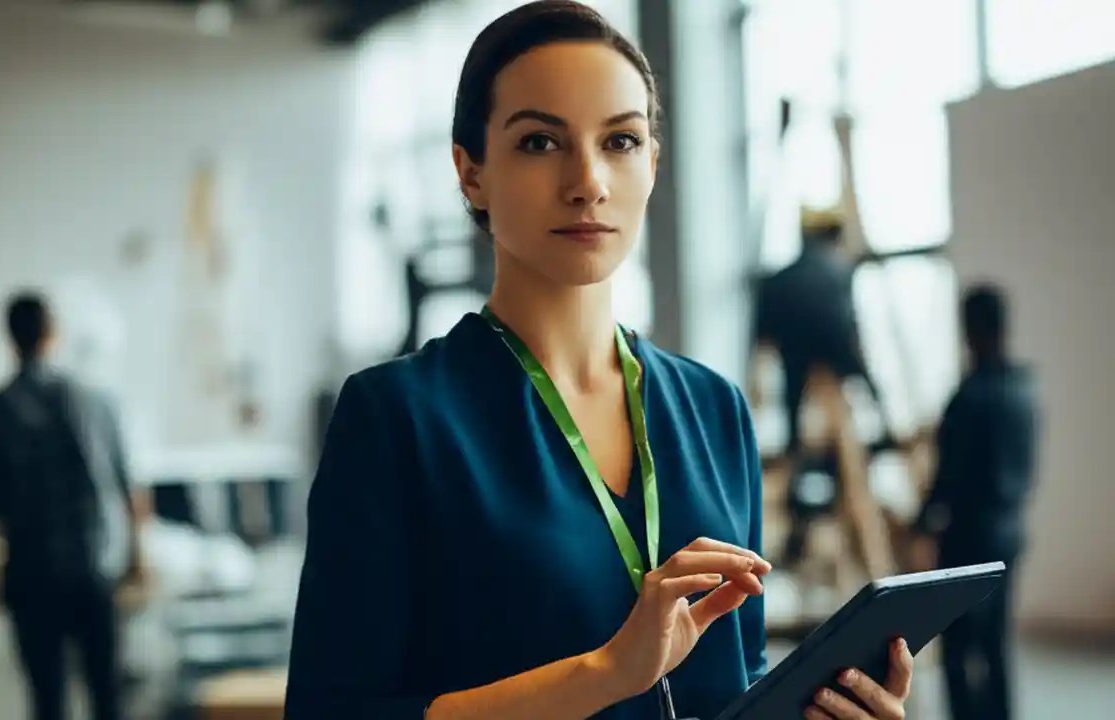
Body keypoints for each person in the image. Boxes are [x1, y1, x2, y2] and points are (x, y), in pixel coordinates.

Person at [286, 4, 914, 720]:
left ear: (651, 163)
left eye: (619, 140)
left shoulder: (713, 409)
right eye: (539, 143)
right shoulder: (398, 418)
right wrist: (606, 673)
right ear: (471, 173)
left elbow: (741, 679)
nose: (588, 181)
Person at [0, 293, 137, 720]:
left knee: (47, 699)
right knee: (107, 693)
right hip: (94, 563)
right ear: (53, 333)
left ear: (11, 338)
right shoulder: (97, 401)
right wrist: (136, 555)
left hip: (30, 569)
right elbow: (125, 485)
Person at [914, 285, 1038, 720]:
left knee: (957, 646)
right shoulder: (1025, 388)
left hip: (968, 538)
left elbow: (948, 477)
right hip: (1010, 532)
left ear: (968, 329)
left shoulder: (970, 397)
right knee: (995, 642)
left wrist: (920, 524)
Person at [754, 206, 889, 456]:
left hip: (796, 350)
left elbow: (764, 335)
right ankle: (884, 430)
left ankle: (793, 443)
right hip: (833, 345)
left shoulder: (782, 278)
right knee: (867, 383)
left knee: (792, 398)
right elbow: (848, 324)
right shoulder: (839, 271)